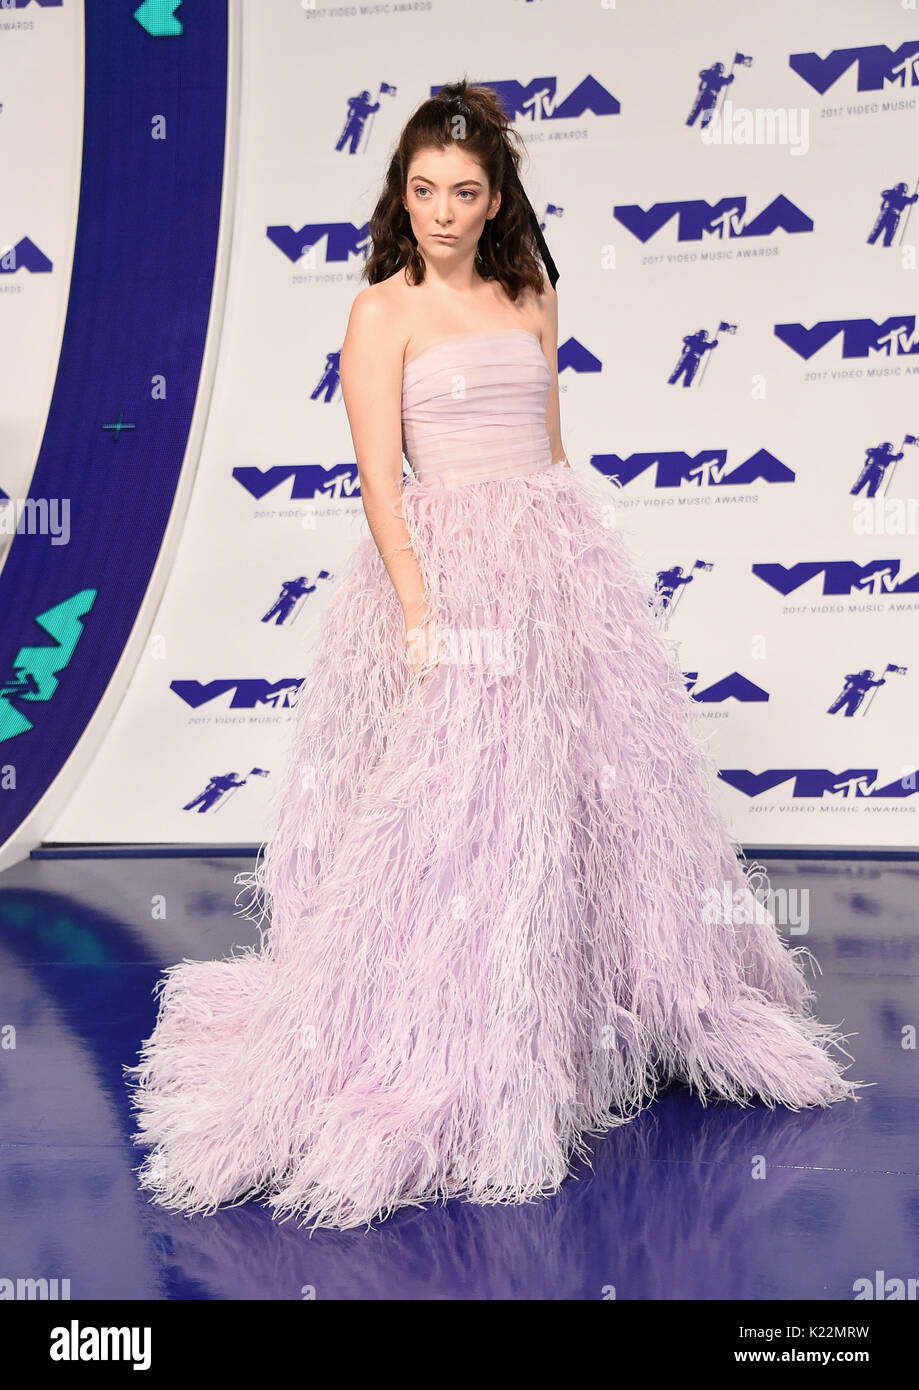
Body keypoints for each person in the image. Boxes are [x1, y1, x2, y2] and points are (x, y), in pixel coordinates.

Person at [124, 80, 862, 1234]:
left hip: (555, 569)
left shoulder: (531, 290)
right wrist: (421, 611)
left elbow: (554, 448)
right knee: (468, 818)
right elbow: (381, 477)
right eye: (422, 190)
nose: (440, 211)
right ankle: (456, 1041)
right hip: (447, 577)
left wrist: (582, 573)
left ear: (496, 194)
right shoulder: (382, 312)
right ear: (399, 195)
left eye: (462, 192)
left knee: (590, 805)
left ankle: (586, 1012)